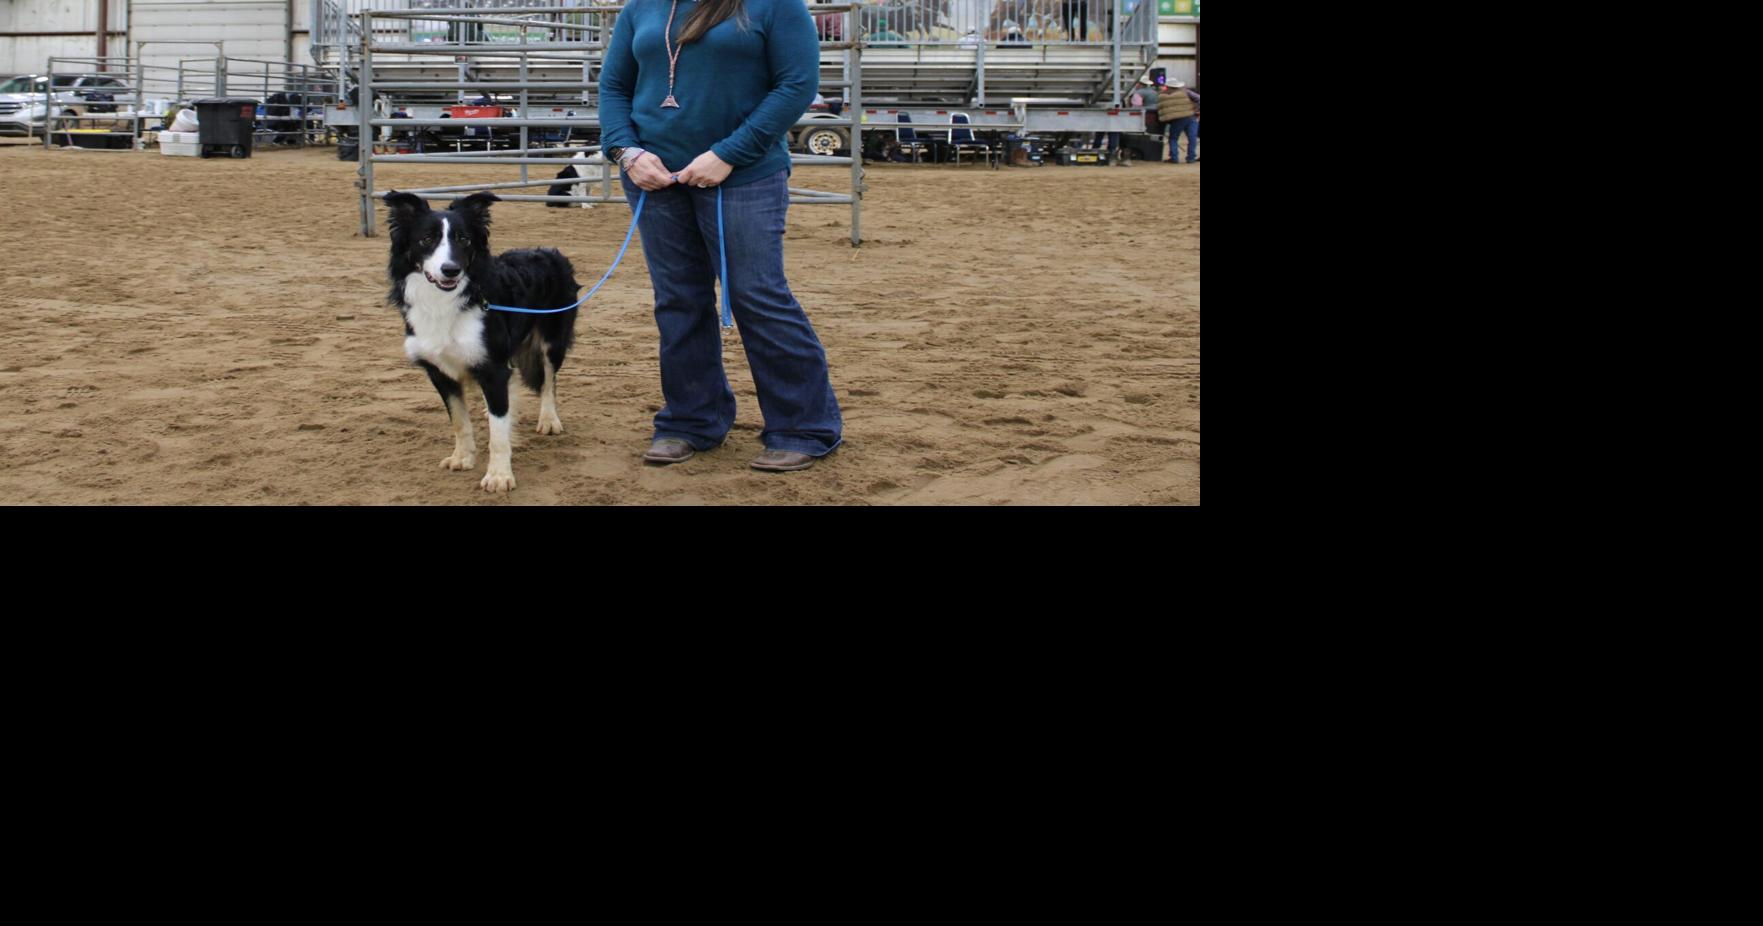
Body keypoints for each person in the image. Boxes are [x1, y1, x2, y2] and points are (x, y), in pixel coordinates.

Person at [599, 0, 843, 472]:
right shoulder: (641, 8)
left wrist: (729, 153)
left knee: (758, 295)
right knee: (678, 300)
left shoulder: (776, 6)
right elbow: (613, 86)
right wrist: (625, 150)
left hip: (743, 175)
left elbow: (796, 85)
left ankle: (804, 426)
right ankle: (690, 419)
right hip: (655, 177)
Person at [1158, 78, 1199, 163]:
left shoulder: (1162, 95)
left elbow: (1161, 108)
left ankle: (1174, 157)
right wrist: (1196, 109)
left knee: (1173, 138)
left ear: (1167, 86)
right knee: (1192, 138)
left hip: (1177, 119)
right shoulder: (1186, 92)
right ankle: (1191, 158)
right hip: (1191, 116)